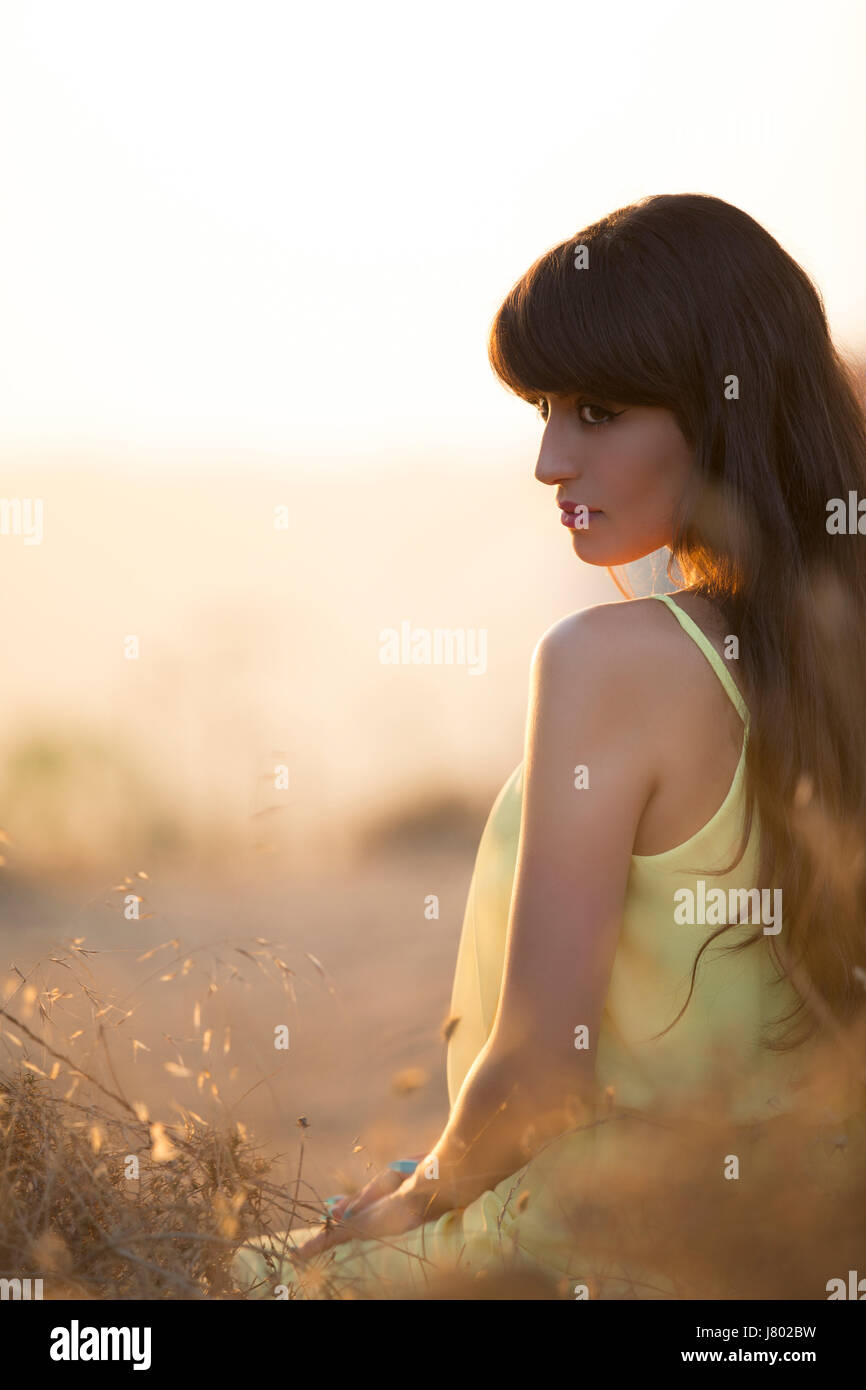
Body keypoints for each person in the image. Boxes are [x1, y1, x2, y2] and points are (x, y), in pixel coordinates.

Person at [232, 193, 866, 1300]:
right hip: (803, 1243)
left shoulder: (605, 660)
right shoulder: (833, 661)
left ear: (720, 411)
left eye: (594, 410)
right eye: (541, 406)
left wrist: (401, 1205)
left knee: (227, 1283)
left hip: (608, 1246)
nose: (546, 459)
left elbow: (536, 1080)